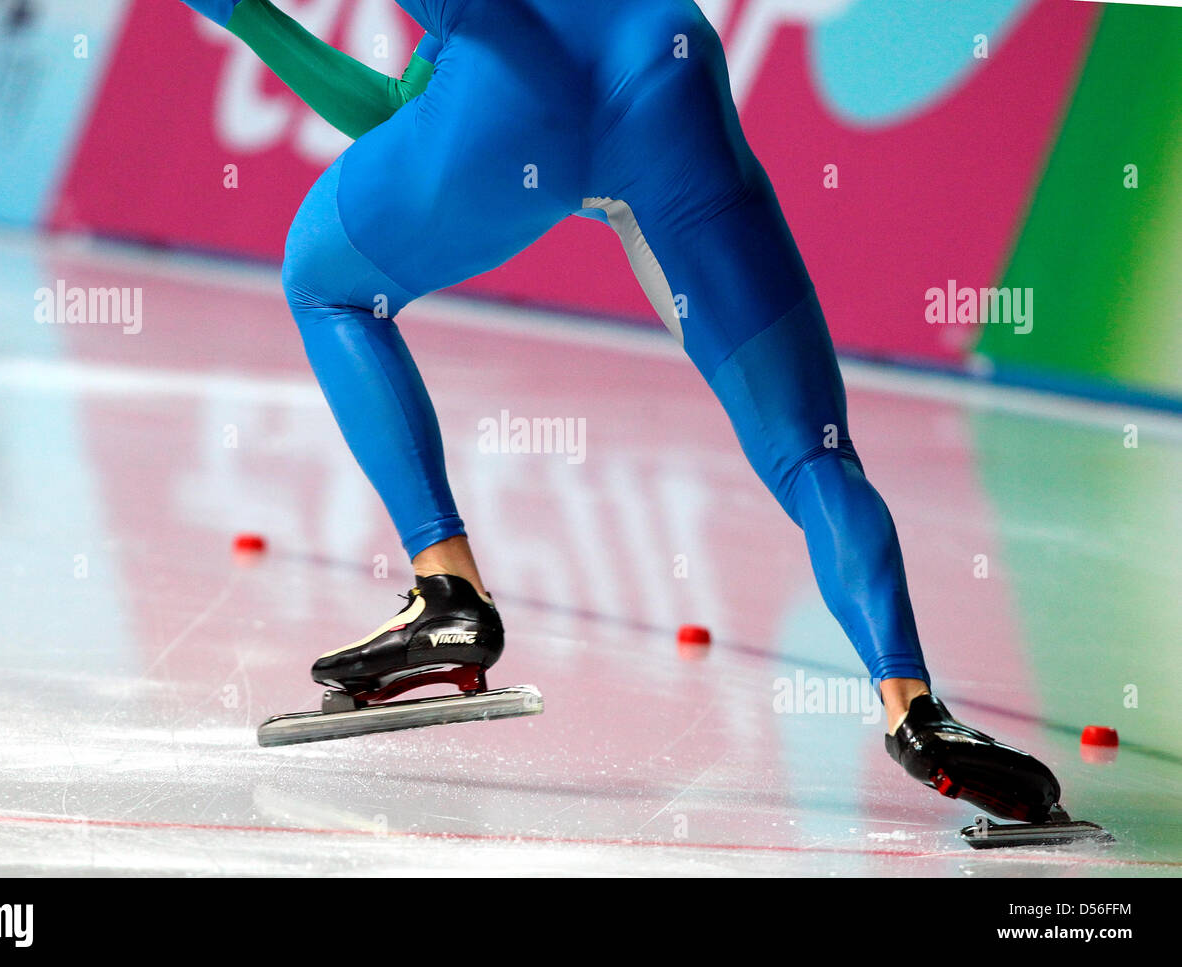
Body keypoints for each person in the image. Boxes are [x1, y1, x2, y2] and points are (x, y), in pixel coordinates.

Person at [179, 0, 1064, 825]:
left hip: (513, 91)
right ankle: (914, 708)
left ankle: (447, 588)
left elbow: (438, 127)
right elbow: (401, 114)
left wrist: (241, 15)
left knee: (325, 281)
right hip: (664, 75)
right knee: (811, 453)